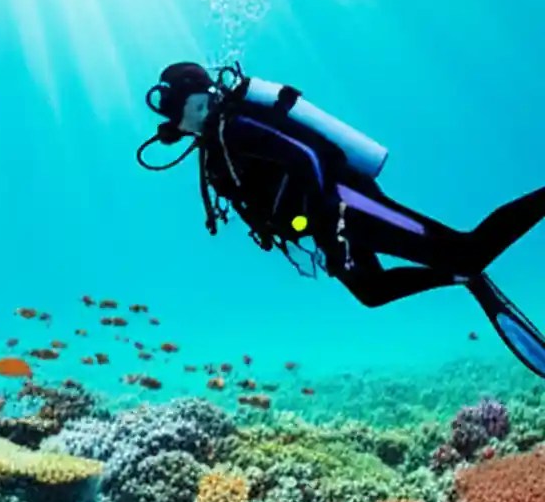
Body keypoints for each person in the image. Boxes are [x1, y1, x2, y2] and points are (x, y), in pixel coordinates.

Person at [136, 61, 545, 376]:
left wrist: (330, 225)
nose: (169, 115)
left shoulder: (234, 126)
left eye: (171, 103)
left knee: (468, 250)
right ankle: (460, 276)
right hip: (327, 223)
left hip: (346, 203)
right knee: (372, 291)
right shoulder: (213, 145)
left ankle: (464, 267)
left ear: (195, 98)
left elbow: (308, 158)